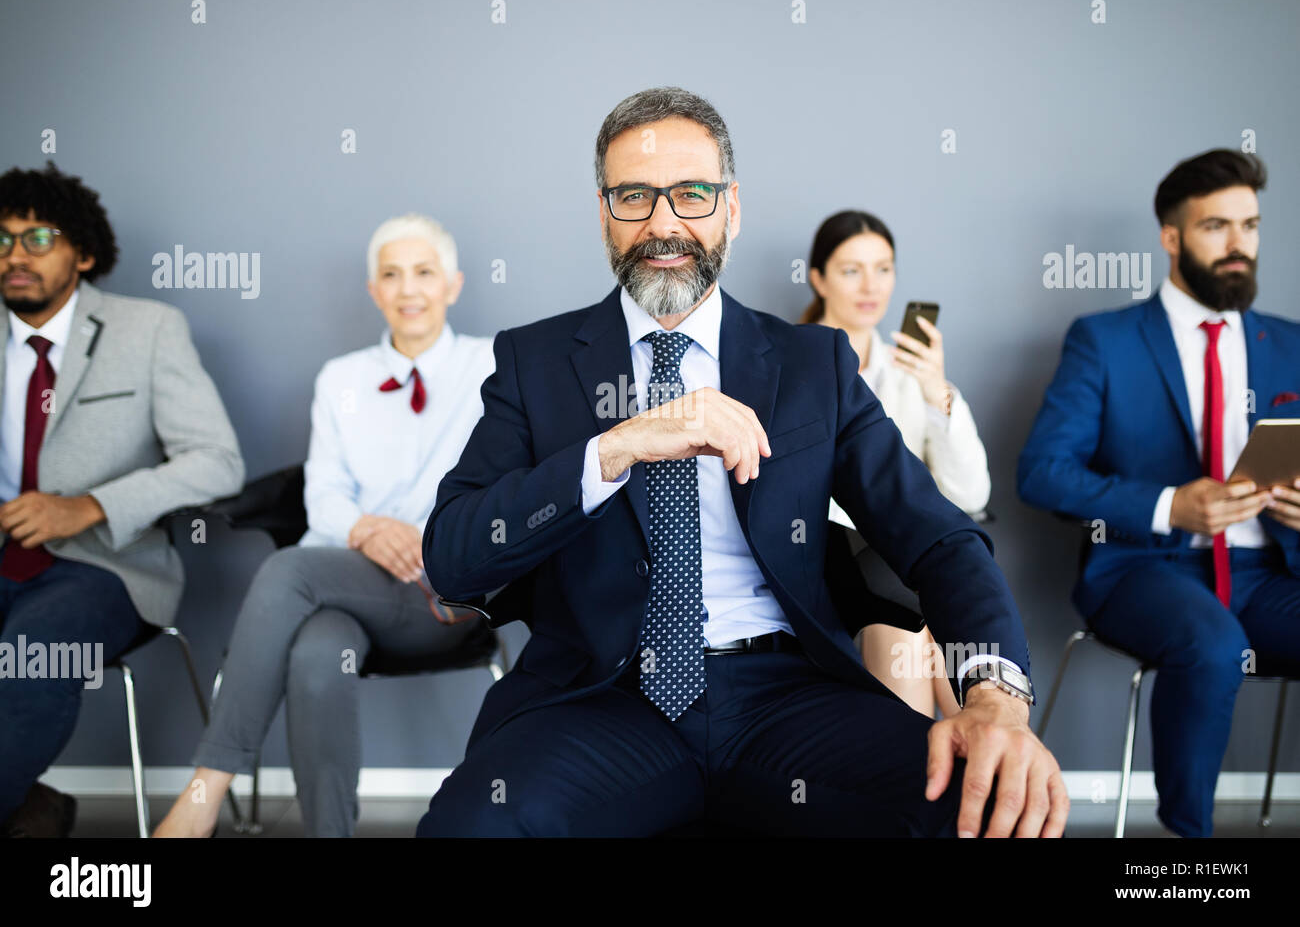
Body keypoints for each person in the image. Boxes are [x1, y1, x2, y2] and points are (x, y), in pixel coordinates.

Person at [416, 87, 1065, 838]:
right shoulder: (533, 362)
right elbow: (456, 558)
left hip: (786, 697)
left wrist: (994, 700)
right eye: (635, 196)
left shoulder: (810, 364)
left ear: (731, 207)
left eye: (691, 193)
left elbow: (937, 537)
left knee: (982, 805)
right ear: (603, 212)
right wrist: (617, 447)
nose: (663, 224)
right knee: (475, 826)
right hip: (601, 700)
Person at [154, 214, 495, 837]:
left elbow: (503, 490)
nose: (408, 288)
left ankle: (204, 794)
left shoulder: (491, 369)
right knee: (318, 655)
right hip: (346, 580)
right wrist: (366, 529)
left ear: (453, 285)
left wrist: (431, 538)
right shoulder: (341, 379)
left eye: (424, 273)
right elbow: (325, 497)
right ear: (374, 291)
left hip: (442, 592)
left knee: (287, 568)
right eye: (391, 275)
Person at [1018, 149, 1300, 837]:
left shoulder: (1290, 343)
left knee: (1227, 633)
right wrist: (1173, 505)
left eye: (1250, 226)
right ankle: (1187, 853)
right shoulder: (1105, 341)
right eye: (1216, 227)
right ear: (1171, 237)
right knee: (1213, 645)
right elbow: (1043, 471)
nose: (1239, 246)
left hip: (1268, 569)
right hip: (1143, 569)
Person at [0, 162, 244, 837]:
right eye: (2, 240)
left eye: (37, 238)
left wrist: (89, 506)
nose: (15, 255)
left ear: (83, 251)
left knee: (30, 651)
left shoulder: (149, 329)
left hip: (105, 568)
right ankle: (30, 806)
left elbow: (218, 461)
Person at [800, 210, 991, 718]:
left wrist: (937, 394)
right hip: (826, 562)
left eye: (883, 269)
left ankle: (969, 774)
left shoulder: (910, 373)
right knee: (914, 626)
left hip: (901, 564)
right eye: (851, 270)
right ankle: (925, 776)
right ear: (817, 278)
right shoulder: (787, 367)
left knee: (942, 625)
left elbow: (971, 496)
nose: (871, 286)